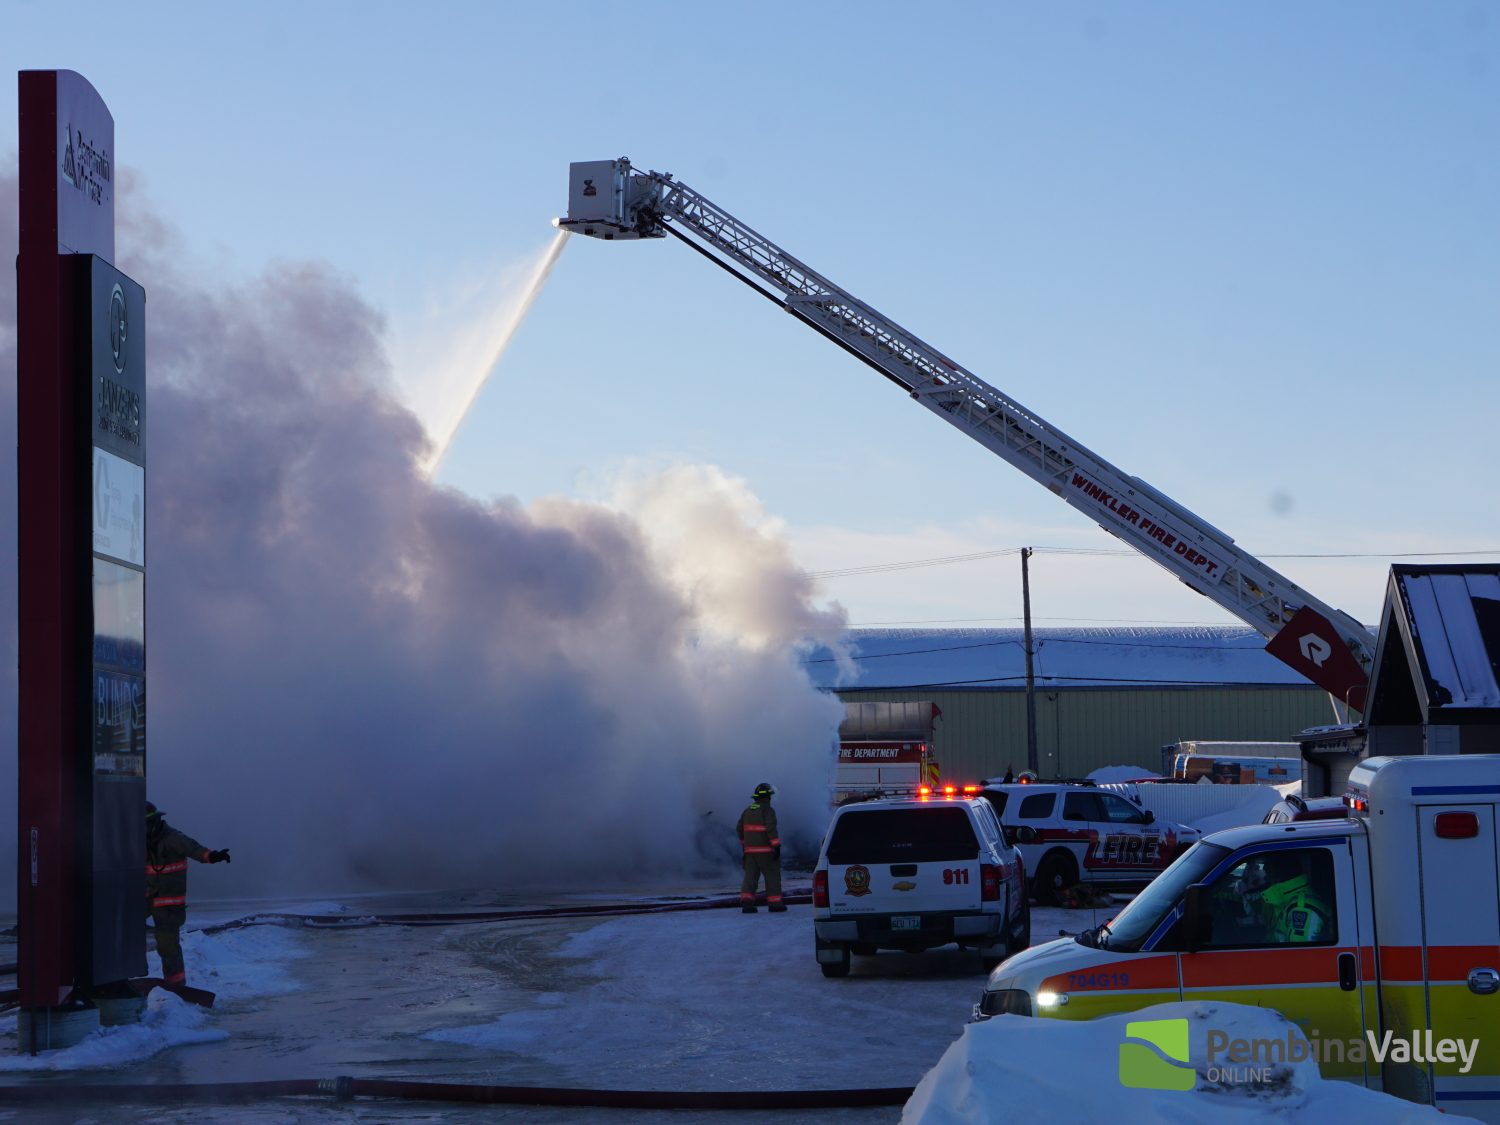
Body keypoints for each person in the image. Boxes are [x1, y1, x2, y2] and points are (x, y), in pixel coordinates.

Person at [146, 802, 230, 984]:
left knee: (168, 944)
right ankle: (121, 978)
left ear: (155, 822)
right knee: (119, 931)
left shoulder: (174, 838)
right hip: (145, 899)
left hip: (168, 904)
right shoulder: (138, 841)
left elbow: (196, 850)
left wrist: (213, 856)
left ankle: (176, 986)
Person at [1258, 852, 1333, 943]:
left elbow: (1300, 955)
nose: (1264, 868)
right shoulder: (1287, 899)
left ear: (1282, 868)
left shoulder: (1302, 907)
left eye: (1268, 864)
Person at [736, 783, 784, 914]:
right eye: (769, 797)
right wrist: (776, 846)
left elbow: (739, 828)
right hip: (766, 852)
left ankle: (747, 904)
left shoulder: (747, 811)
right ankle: (775, 904)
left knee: (750, 878)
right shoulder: (768, 811)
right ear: (767, 797)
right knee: (772, 876)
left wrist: (745, 844)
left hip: (750, 852)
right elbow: (771, 829)